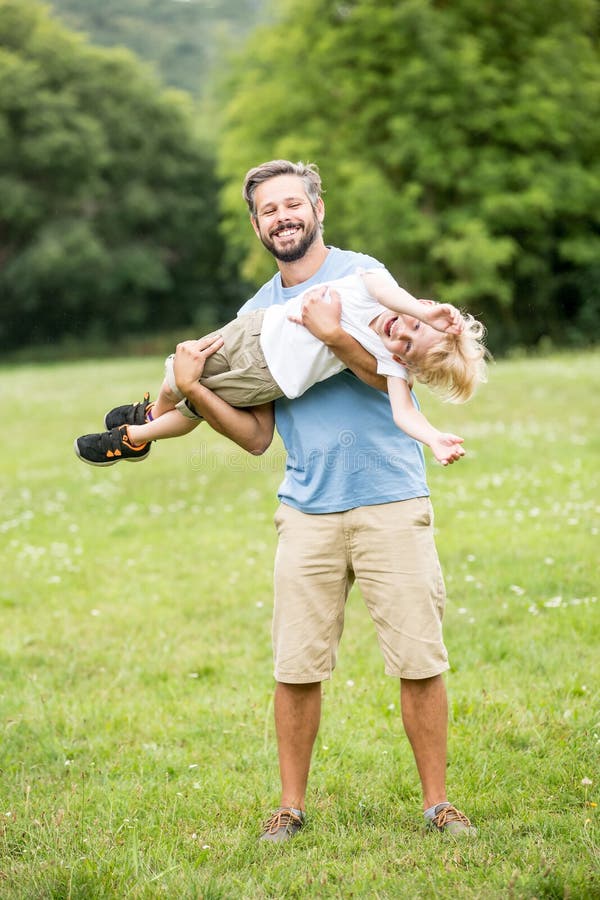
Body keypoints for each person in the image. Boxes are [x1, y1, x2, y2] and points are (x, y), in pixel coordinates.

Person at [115, 159, 480, 841]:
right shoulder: (255, 314)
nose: (282, 217)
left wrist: (337, 335)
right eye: (268, 210)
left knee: (419, 659)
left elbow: (388, 379)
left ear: (316, 209)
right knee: (297, 667)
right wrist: (194, 391)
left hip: (389, 501)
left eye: (292, 204)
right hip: (306, 508)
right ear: (257, 226)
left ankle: (438, 804)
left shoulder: (359, 276)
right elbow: (254, 436)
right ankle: (290, 808)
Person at [73, 270, 486, 468]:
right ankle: (148, 416)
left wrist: (433, 438)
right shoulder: (375, 286)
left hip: (265, 377)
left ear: (405, 360)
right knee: (179, 368)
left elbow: (404, 411)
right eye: (415, 324)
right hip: (253, 329)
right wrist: (421, 313)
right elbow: (398, 298)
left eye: (408, 347)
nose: (402, 332)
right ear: (427, 306)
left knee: (195, 404)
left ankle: (135, 436)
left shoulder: (388, 360)